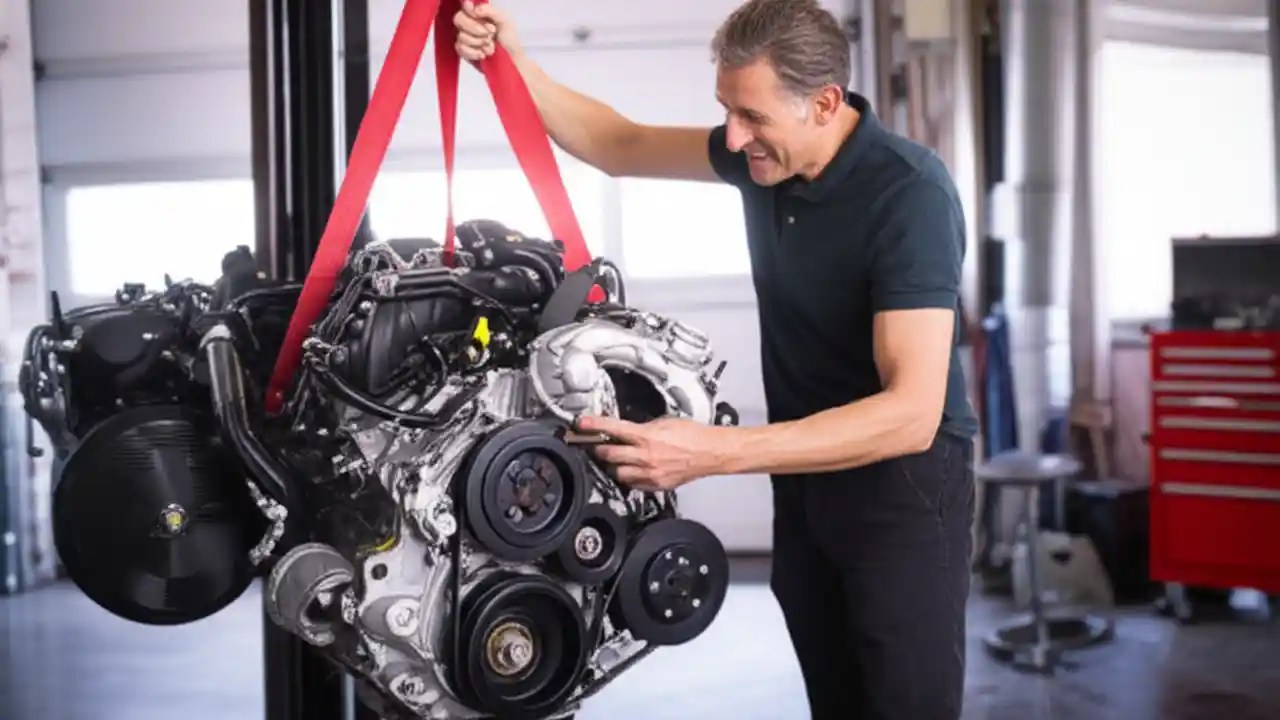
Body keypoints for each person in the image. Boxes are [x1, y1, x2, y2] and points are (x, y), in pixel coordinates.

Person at [455, 1, 978, 718]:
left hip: (903, 490)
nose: (733, 137)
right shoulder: (767, 158)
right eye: (726, 110)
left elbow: (911, 415)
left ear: (825, 103)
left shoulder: (908, 193)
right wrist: (511, 63)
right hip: (807, 481)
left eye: (752, 117)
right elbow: (619, 143)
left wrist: (713, 452)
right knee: (836, 701)